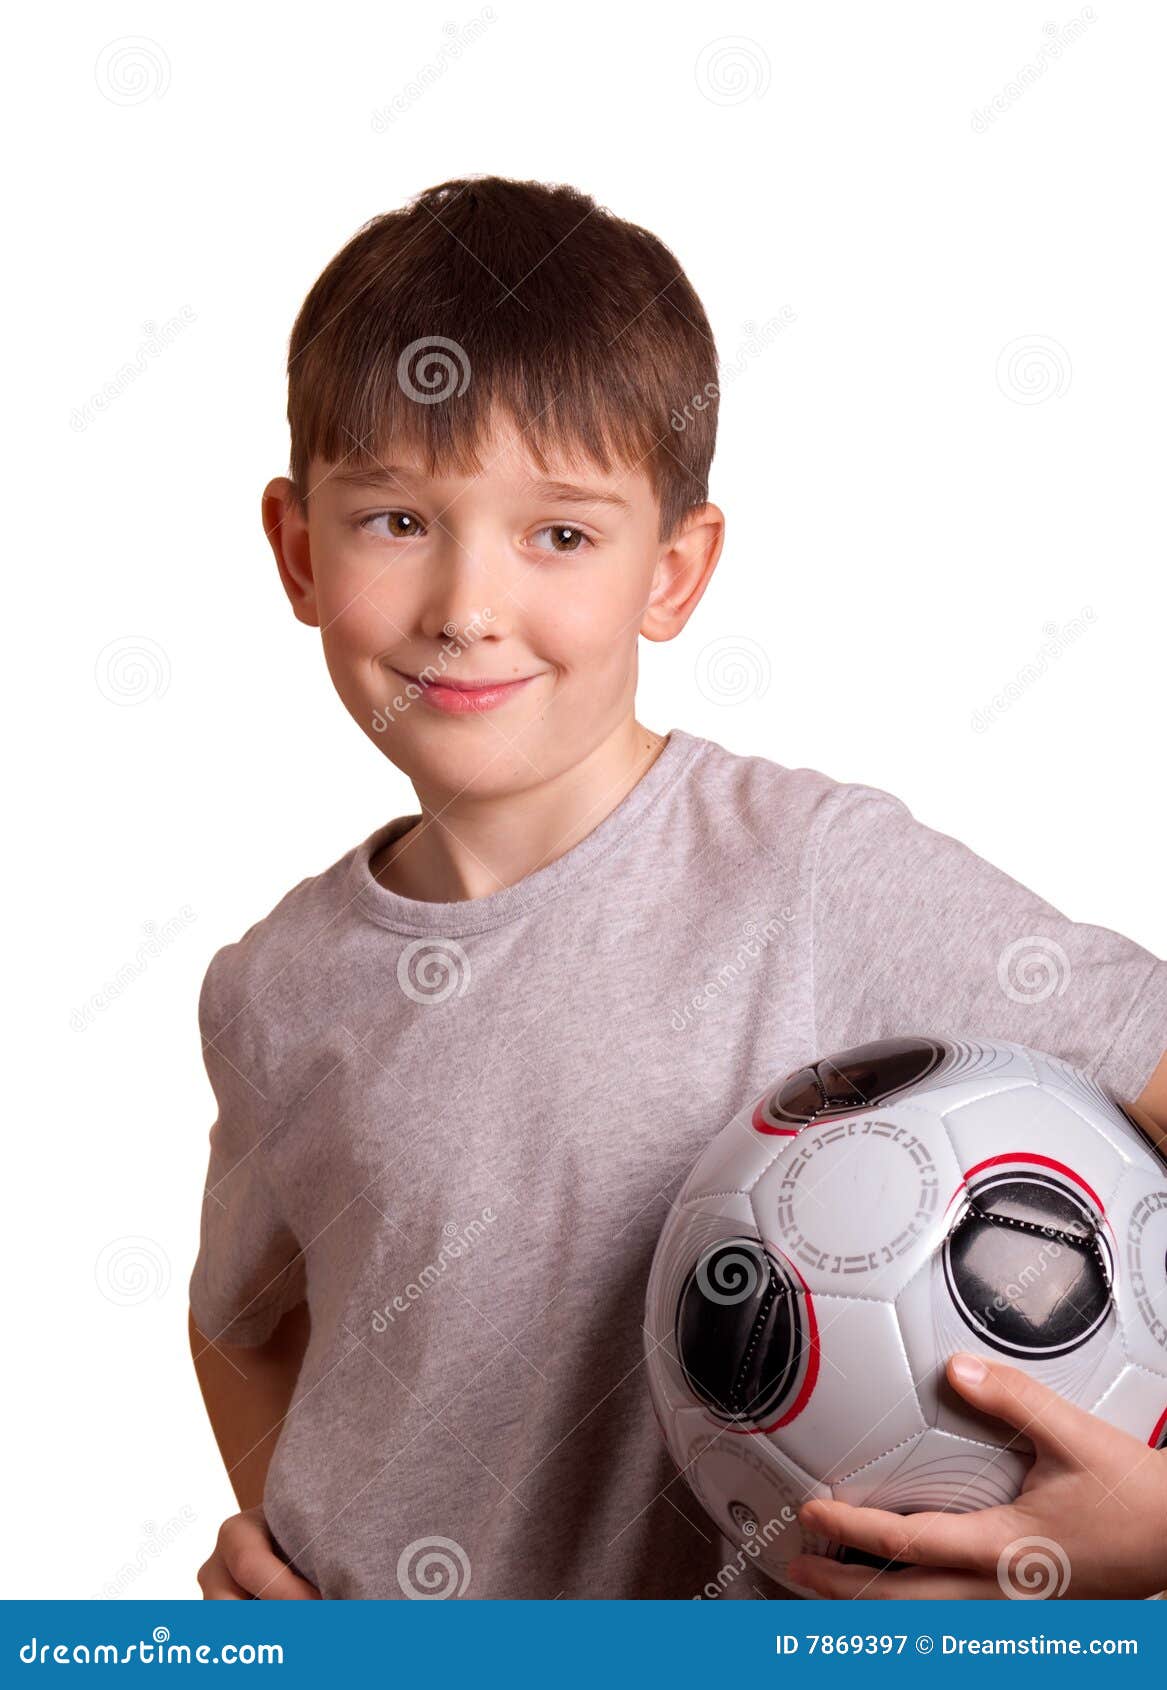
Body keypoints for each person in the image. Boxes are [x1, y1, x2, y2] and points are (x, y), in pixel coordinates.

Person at [188, 176, 1167, 1601]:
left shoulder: (813, 873)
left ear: (676, 570)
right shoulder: (271, 984)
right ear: (296, 548)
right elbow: (241, 1321)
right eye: (395, 519)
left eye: (561, 535)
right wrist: (301, 1562)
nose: (466, 601)